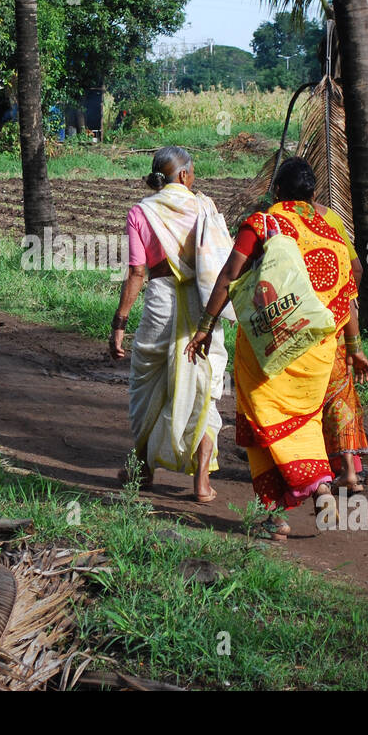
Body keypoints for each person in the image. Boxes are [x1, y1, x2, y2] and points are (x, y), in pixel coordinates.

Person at [185, 157, 368, 536]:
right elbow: (351, 287)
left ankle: (277, 516)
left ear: (276, 191)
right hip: (317, 351)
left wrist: (206, 325)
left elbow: (229, 274)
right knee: (304, 422)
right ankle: (319, 485)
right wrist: (353, 346)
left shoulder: (264, 223)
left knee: (259, 423)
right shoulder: (330, 230)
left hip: (268, 347)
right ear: (314, 194)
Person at [110, 146, 234, 503]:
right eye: (192, 172)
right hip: (202, 307)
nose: (194, 178)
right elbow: (222, 263)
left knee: (149, 386)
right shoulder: (204, 208)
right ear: (183, 176)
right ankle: (201, 483)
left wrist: (120, 321)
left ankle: (143, 470)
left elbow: (137, 272)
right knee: (204, 385)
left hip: (160, 301)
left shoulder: (141, 212)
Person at [315, 201, 368, 491]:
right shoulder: (331, 219)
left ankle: (311, 472)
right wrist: (344, 302)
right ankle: (349, 471)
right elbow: (357, 269)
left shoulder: (277, 220)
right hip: (335, 326)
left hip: (296, 328)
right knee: (340, 394)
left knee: (302, 399)